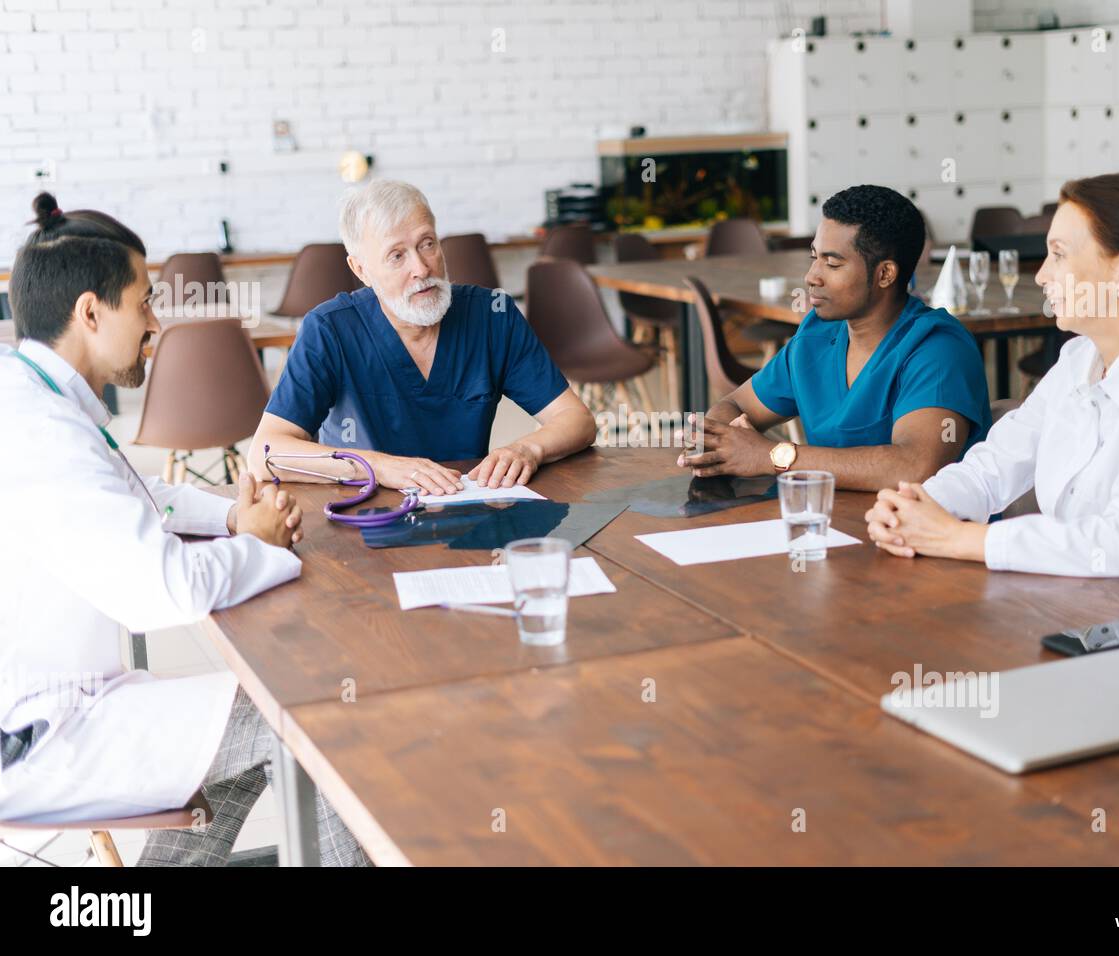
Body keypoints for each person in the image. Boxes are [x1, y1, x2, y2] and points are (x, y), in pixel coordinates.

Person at [0, 193, 369, 865]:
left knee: (250, 717)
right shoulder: (42, 433)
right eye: (143, 302)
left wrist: (230, 513)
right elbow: (162, 589)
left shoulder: (30, 394)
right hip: (45, 740)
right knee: (311, 720)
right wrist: (256, 544)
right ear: (90, 312)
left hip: (61, 710)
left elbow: (136, 496)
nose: (156, 320)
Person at [865, 173, 1119, 623]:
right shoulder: (1078, 358)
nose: (1042, 274)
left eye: (1059, 255)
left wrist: (956, 539)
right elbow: (992, 468)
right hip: (1106, 614)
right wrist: (914, 508)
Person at [249, 179, 596, 495]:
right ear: (361, 270)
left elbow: (576, 419)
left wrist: (527, 449)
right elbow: (265, 453)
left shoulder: (493, 316)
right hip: (362, 511)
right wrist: (380, 467)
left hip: (465, 507)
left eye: (427, 244)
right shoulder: (329, 330)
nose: (421, 268)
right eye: (396, 256)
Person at [677, 185, 990, 490]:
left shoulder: (937, 349)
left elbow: (914, 466)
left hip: (924, 537)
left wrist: (771, 456)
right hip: (832, 525)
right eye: (814, 257)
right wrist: (720, 445)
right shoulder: (817, 335)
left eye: (832, 263)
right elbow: (734, 402)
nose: (812, 276)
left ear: (885, 274)